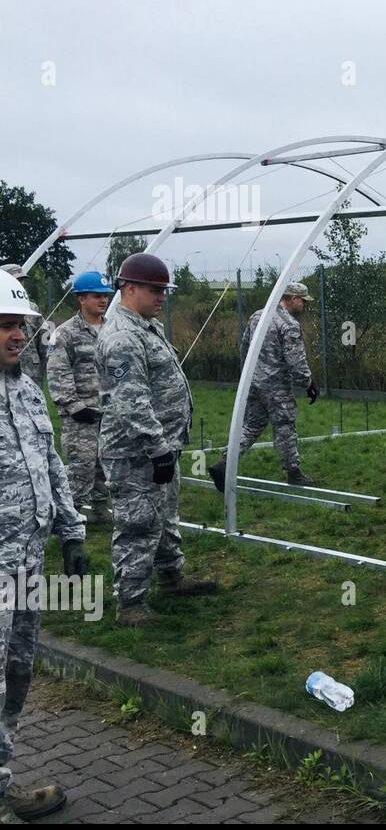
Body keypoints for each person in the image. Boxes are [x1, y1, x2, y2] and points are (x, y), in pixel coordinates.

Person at [0, 267, 86, 823]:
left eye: (20, 325)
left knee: (18, 668)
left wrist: (73, 531)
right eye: (4, 325)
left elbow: (51, 463)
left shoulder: (27, 390)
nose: (15, 335)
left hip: (26, 565)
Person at [96, 253, 215, 625]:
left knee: (164, 516)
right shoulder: (122, 336)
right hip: (136, 453)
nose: (163, 296)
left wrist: (165, 446)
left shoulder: (145, 326)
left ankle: (171, 576)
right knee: (138, 523)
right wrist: (156, 446)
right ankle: (130, 603)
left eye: (165, 290)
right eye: (155, 289)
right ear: (129, 289)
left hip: (160, 447)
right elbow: (132, 399)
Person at [209, 281, 318, 489]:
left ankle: (224, 463)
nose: (304, 305)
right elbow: (296, 359)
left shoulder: (258, 315)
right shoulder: (289, 324)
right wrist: (308, 383)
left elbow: (245, 346)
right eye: (303, 301)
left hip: (253, 381)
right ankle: (293, 472)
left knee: (251, 426)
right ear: (293, 299)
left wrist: (247, 375)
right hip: (276, 386)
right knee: (285, 426)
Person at [47, 270, 114, 524]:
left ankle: (99, 509)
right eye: (97, 296)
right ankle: (67, 515)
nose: (103, 301)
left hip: (108, 412)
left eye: (105, 296)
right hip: (80, 416)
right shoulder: (64, 334)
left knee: (105, 464)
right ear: (81, 299)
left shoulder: (112, 329)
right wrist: (74, 406)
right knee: (81, 468)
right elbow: (57, 372)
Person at [1, 264, 52, 387]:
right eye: (15, 280)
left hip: (31, 373)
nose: (19, 284)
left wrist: (51, 359)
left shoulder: (32, 308)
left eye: (21, 281)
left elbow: (47, 333)